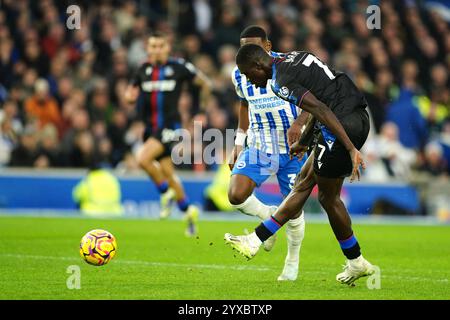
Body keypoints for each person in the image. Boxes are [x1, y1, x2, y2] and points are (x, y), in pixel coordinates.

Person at [225, 44, 375, 286]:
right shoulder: (296, 56)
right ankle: (356, 261)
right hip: (356, 116)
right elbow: (322, 96)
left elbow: (321, 108)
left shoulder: (279, 82)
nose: (251, 83)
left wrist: (349, 148)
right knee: (316, 190)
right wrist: (304, 142)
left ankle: (254, 240)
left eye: (250, 76)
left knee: (316, 192)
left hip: (342, 126)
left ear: (258, 65)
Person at [228, 26, 309, 281]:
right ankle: (268, 217)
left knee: (294, 212)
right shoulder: (239, 74)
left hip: (293, 149)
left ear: (268, 46)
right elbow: (244, 103)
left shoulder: (289, 67)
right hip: (261, 147)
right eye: (243, 48)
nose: (248, 52)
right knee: (236, 196)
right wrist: (239, 141)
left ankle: (292, 260)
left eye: (254, 47)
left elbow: (313, 100)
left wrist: (299, 125)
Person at [125, 32, 211, 236]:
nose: (155, 50)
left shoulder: (178, 67)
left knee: (142, 159)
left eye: (159, 46)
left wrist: (201, 110)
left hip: (170, 126)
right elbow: (131, 92)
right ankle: (188, 212)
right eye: (152, 46)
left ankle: (165, 193)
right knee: (169, 173)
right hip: (150, 129)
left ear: (167, 48)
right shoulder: (142, 69)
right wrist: (129, 96)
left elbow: (204, 84)